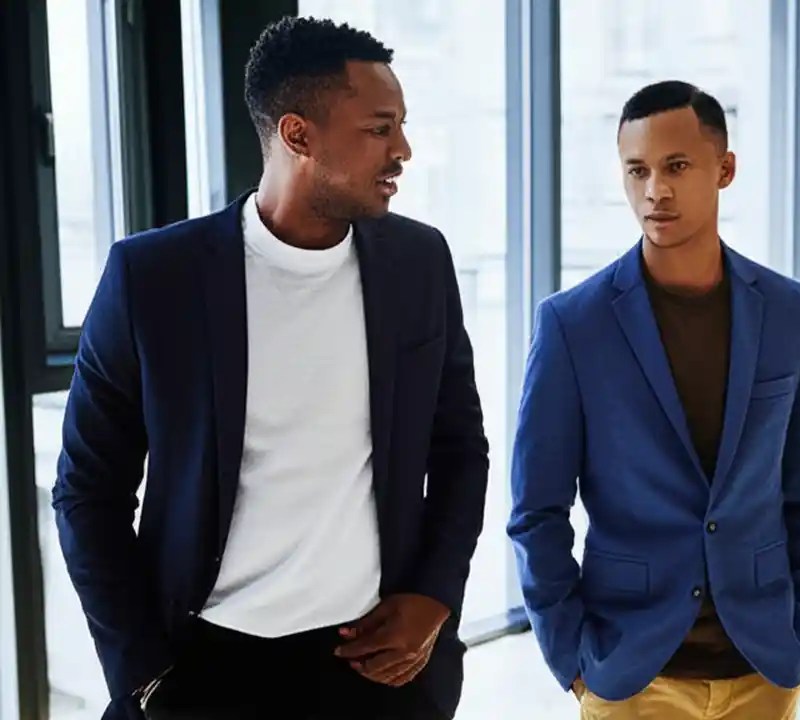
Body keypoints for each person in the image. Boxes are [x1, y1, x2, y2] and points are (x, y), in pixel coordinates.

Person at [52, 16, 488, 720]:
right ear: (297, 135)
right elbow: (86, 492)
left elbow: (461, 449)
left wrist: (434, 598)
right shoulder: (154, 277)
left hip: (378, 668)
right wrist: (145, 676)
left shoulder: (419, 264)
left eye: (400, 126)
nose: (402, 150)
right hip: (204, 670)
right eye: (379, 128)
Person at [507, 80, 800, 720]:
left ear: (726, 169)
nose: (654, 190)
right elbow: (536, 512)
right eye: (637, 171)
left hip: (766, 664)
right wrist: (573, 660)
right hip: (631, 669)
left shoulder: (792, 313)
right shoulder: (572, 325)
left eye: (676, 167)